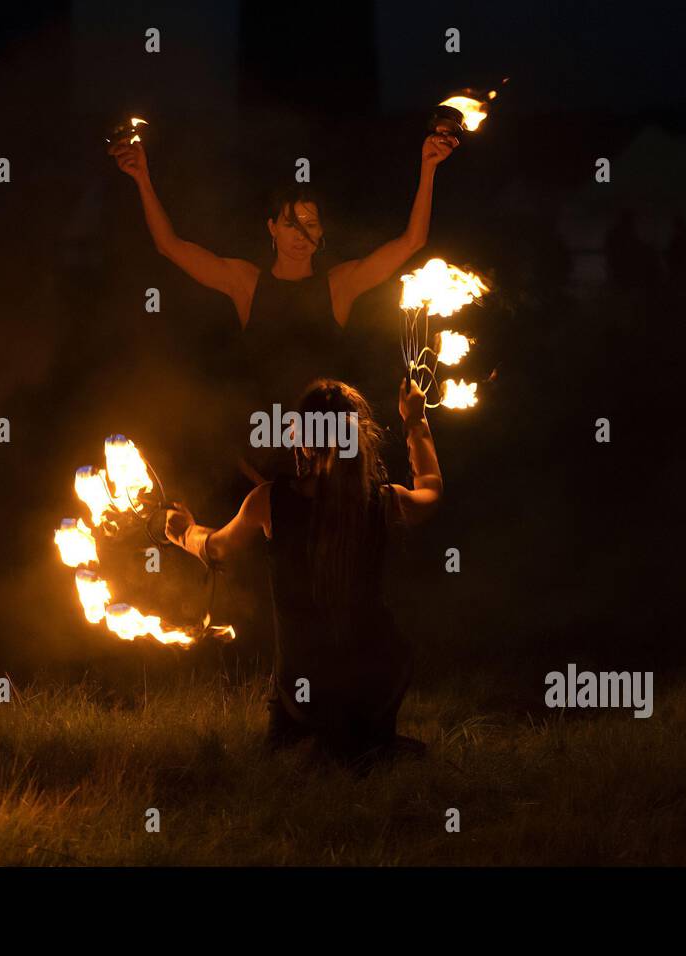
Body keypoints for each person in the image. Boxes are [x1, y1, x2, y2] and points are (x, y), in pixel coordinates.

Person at [164, 377, 443, 767]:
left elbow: (217, 548)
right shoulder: (385, 500)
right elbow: (430, 488)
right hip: (378, 684)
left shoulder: (268, 501)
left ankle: (333, 741)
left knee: (299, 749)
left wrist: (184, 533)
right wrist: (416, 421)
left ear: (304, 440)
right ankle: (362, 743)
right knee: (355, 752)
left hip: (304, 691)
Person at [108, 133, 457, 416]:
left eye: (310, 224)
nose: (300, 235)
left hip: (329, 441)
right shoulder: (245, 283)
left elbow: (413, 241)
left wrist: (428, 170)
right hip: (263, 436)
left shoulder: (340, 285)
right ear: (272, 228)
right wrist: (142, 178)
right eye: (291, 223)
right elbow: (169, 245)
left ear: (321, 234)